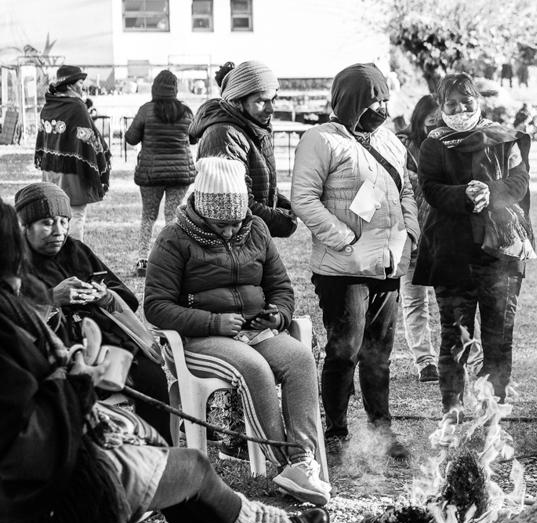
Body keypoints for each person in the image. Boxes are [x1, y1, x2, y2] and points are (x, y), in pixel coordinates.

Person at [0, 200, 327, 523]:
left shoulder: (19, 303)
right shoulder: (8, 319)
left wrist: (276, 314)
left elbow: (280, 288)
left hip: (46, 473)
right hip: (47, 493)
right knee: (188, 466)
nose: (55, 231)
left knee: (165, 449)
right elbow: (28, 433)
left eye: (62, 221)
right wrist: (80, 378)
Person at [145, 157, 331, 506]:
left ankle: (304, 461)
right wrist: (212, 322)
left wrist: (278, 315)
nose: (230, 231)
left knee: (300, 359)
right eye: (222, 224)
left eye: (236, 222)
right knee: (255, 368)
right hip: (199, 340)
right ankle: (285, 462)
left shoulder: (256, 228)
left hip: (255, 333)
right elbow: (156, 306)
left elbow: (281, 287)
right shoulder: (174, 238)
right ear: (202, 207)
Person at [290, 64, 418, 460]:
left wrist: (410, 232)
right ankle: (337, 432)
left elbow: (407, 188)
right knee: (344, 350)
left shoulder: (390, 139)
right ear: (351, 101)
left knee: (379, 352)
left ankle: (382, 428)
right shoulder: (320, 140)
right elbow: (304, 200)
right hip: (342, 269)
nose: (381, 105)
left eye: (384, 98)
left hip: (387, 265)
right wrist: (345, 239)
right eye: (373, 99)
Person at [413, 73, 533, 412]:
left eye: (466, 101)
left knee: (498, 336)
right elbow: (430, 188)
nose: (461, 108)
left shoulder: (503, 139)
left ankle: (493, 409)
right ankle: (453, 409)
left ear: (477, 101)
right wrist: (464, 194)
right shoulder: (434, 143)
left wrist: (489, 193)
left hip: (500, 252)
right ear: (441, 107)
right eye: (452, 103)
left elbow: (519, 181)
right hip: (452, 254)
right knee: (455, 336)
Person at [18, 182, 172, 443]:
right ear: (26, 226)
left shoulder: (77, 251)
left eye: (63, 221)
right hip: (53, 358)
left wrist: (102, 295)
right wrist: (52, 298)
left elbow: (124, 298)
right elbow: (10, 316)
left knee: (152, 377)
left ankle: (160, 456)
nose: (58, 231)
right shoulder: (14, 260)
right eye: (46, 222)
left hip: (106, 349)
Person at [189, 60, 297, 238]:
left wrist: (286, 207)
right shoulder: (224, 135)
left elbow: (263, 185)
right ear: (237, 102)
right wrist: (282, 221)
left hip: (250, 239)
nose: (271, 109)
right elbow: (233, 202)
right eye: (261, 101)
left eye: (273, 99)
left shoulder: (254, 127)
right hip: (230, 243)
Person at [125, 69, 196, 277]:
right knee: (172, 217)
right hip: (180, 174)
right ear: (175, 89)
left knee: (148, 216)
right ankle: (172, 261)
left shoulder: (146, 110)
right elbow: (193, 138)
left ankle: (143, 260)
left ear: (155, 88)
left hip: (151, 174)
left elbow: (131, 138)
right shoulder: (186, 111)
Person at [35, 64, 111, 242]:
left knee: (55, 216)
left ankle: (57, 257)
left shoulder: (48, 106)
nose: (82, 86)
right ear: (70, 85)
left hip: (51, 171)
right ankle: (73, 258)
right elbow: (89, 138)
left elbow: (43, 140)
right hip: (73, 172)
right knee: (75, 215)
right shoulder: (77, 107)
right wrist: (101, 155)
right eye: (80, 82)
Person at [396, 94, 442, 384]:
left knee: (451, 301)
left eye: (440, 120)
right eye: (431, 119)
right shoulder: (402, 146)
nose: (435, 125)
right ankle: (425, 360)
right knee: (414, 300)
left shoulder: (450, 146)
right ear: (419, 117)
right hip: (410, 236)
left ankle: (461, 355)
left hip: (442, 237)